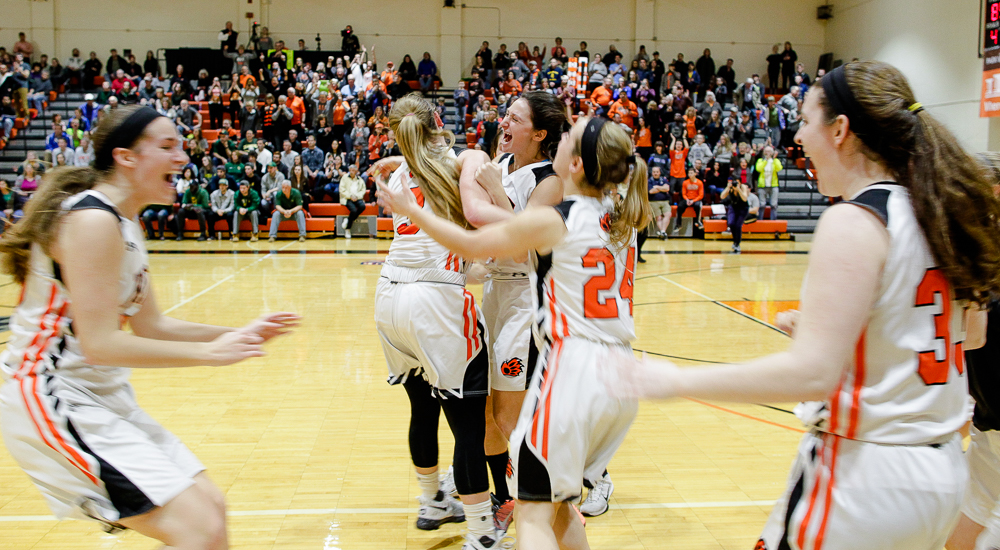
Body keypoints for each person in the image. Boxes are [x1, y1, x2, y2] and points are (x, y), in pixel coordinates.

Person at [603, 60, 1000, 550]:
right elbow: (971, 334)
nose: (798, 135)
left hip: (866, 477)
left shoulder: (857, 220)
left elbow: (811, 374)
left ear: (840, 130)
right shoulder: (938, 211)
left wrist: (676, 380)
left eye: (807, 120)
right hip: (941, 474)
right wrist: (848, 332)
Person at [0, 105, 299, 548]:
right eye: (167, 146)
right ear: (126, 157)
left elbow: (153, 326)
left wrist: (236, 332)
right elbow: (100, 344)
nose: (183, 156)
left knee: (211, 510)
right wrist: (208, 355)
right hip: (50, 393)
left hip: (102, 396)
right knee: (197, 527)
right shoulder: (91, 220)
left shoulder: (124, 222)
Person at [377, 114, 651, 550]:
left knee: (533, 514)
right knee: (555, 509)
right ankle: (587, 480)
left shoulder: (556, 219)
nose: (561, 137)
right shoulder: (620, 216)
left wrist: (412, 211)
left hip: (575, 371)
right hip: (619, 372)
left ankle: (586, 483)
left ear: (576, 164)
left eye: (569, 138)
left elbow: (470, 242)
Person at [367, 93, 499, 550]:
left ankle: (432, 502)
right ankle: (482, 533)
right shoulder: (458, 164)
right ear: (439, 122)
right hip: (435, 300)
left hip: (389, 296)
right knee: (469, 426)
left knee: (421, 409)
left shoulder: (400, 171)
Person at [458, 91, 568, 527]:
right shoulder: (498, 164)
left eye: (515, 118)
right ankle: (504, 499)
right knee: (485, 412)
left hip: (526, 298)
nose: (503, 122)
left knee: (510, 416)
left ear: (539, 134)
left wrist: (495, 191)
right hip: (494, 292)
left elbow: (524, 248)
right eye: (505, 115)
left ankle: (558, 500)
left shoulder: (549, 180)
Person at [339, 164, 366, 238]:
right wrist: (350, 196)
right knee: (353, 211)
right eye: (350, 170)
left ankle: (348, 220)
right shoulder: (344, 178)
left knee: (362, 206)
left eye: (353, 170)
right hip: (347, 198)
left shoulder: (360, 180)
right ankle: (348, 229)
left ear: (356, 171)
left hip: (357, 198)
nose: (351, 172)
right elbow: (342, 189)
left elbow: (363, 190)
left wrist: (357, 196)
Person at [755, 145, 782, 220]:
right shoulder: (760, 160)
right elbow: (758, 169)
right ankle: (760, 220)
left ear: (772, 153)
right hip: (762, 185)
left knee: (774, 204)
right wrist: (765, 160)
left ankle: (773, 220)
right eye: (766, 151)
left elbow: (779, 168)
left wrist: (774, 159)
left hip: (773, 185)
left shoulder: (775, 161)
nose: (768, 153)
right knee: (762, 204)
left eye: (769, 151)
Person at [647, 165, 672, 239]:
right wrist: (662, 188)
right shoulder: (649, 181)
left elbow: (667, 188)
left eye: (657, 172)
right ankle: (663, 232)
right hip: (653, 202)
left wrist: (657, 187)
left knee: (668, 214)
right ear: (652, 173)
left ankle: (662, 232)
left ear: (660, 172)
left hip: (665, 201)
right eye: (654, 172)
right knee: (659, 218)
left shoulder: (664, 179)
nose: (655, 173)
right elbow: (651, 191)